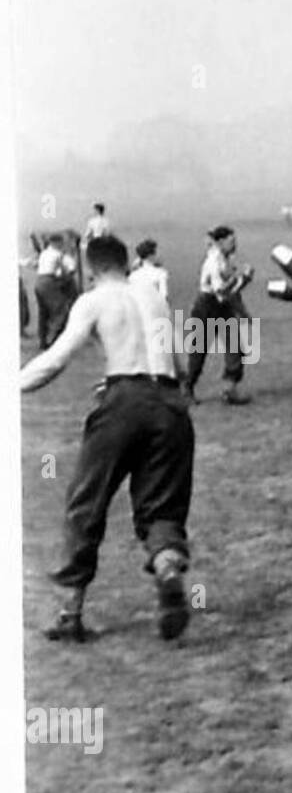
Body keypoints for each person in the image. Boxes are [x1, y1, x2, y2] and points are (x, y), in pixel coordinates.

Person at [20, 235, 194, 643]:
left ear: (93, 267)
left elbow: (55, 360)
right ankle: (168, 569)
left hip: (124, 402)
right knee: (162, 508)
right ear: (125, 260)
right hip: (170, 404)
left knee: (87, 502)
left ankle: (70, 612)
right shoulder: (152, 294)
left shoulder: (94, 299)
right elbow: (180, 364)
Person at [185, 225, 254, 405]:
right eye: (232, 241)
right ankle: (187, 388)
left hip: (223, 305)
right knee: (199, 348)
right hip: (207, 306)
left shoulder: (227, 259)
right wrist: (240, 279)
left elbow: (231, 292)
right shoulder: (214, 262)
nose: (235, 245)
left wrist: (242, 286)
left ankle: (230, 389)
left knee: (235, 346)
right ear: (221, 242)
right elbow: (221, 291)